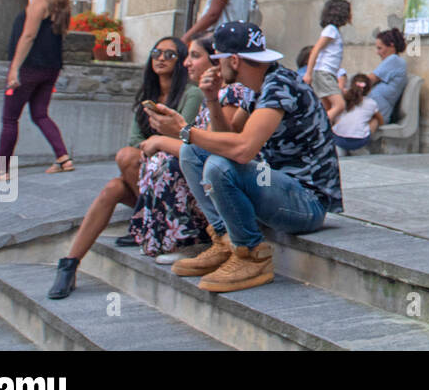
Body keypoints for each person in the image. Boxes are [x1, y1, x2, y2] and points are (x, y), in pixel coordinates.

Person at [147, 21, 343, 293]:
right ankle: (224, 240)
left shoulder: (280, 86)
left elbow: (242, 149)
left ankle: (252, 254)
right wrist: (212, 99)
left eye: (218, 59)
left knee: (220, 165)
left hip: (306, 203)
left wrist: (183, 131)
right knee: (195, 152)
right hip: (278, 187)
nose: (214, 66)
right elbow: (227, 136)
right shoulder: (260, 85)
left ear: (235, 60)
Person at [46, 37, 199, 299]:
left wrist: (154, 146)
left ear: (181, 61)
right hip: (151, 178)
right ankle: (69, 263)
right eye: (156, 52)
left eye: (170, 55)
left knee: (125, 159)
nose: (160, 58)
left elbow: (187, 140)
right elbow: (134, 140)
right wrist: (148, 147)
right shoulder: (146, 95)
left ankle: (146, 224)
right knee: (113, 185)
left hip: (178, 180)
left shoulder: (191, 93)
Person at [127, 35, 249, 262]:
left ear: (216, 61)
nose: (186, 63)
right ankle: (161, 237)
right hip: (216, 166)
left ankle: (193, 240)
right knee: (155, 159)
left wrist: (163, 139)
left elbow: (216, 145)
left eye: (194, 56)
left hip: (237, 175)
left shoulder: (232, 92)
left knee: (169, 160)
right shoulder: (212, 93)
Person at [0, 0, 73, 183]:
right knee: (40, 114)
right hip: (50, 69)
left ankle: (1, 169)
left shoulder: (39, 2)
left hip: (29, 69)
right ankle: (63, 158)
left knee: (9, 119)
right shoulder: (61, 6)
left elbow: (28, 36)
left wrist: (14, 68)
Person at [345, 27, 407, 125]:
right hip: (375, 107)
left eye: (380, 48)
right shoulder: (394, 61)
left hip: (378, 110)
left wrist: (348, 91)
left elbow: (368, 80)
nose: (377, 53)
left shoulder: (394, 59)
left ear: (391, 45)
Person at [303, 0, 351, 123]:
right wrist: (308, 73)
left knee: (327, 108)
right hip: (324, 73)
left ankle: (322, 135)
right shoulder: (331, 30)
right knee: (339, 105)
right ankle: (318, 129)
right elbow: (316, 49)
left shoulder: (334, 31)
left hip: (326, 73)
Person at [331, 73, 384, 154]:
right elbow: (381, 120)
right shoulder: (371, 103)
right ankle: (359, 146)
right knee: (375, 120)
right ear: (369, 89)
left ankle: (341, 148)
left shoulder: (343, 99)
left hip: (338, 139)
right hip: (359, 141)